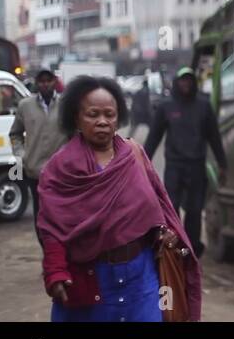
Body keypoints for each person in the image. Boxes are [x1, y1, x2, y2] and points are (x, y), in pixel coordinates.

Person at [37, 76, 201, 322]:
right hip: (92, 279)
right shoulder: (60, 167)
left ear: (118, 117)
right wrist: (55, 270)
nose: (102, 121)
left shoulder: (134, 155)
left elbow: (156, 210)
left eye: (109, 114)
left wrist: (164, 232)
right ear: (77, 118)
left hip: (141, 278)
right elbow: (53, 228)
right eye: (93, 114)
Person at [144, 67, 227, 257]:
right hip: (175, 165)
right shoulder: (167, 106)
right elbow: (154, 137)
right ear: (177, 82)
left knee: (195, 209)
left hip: (196, 165)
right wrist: (142, 162)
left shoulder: (204, 107)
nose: (186, 84)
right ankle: (172, 245)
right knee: (171, 206)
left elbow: (214, 137)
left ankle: (192, 248)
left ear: (194, 83)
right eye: (182, 80)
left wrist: (222, 164)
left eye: (189, 80)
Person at [9, 68, 68, 235]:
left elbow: (75, 135)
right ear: (37, 83)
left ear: (54, 82)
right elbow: (15, 134)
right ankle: (48, 252)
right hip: (35, 172)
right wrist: (21, 155)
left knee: (62, 215)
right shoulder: (25, 106)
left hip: (61, 173)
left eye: (48, 80)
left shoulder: (66, 105)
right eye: (41, 81)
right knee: (41, 218)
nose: (45, 84)